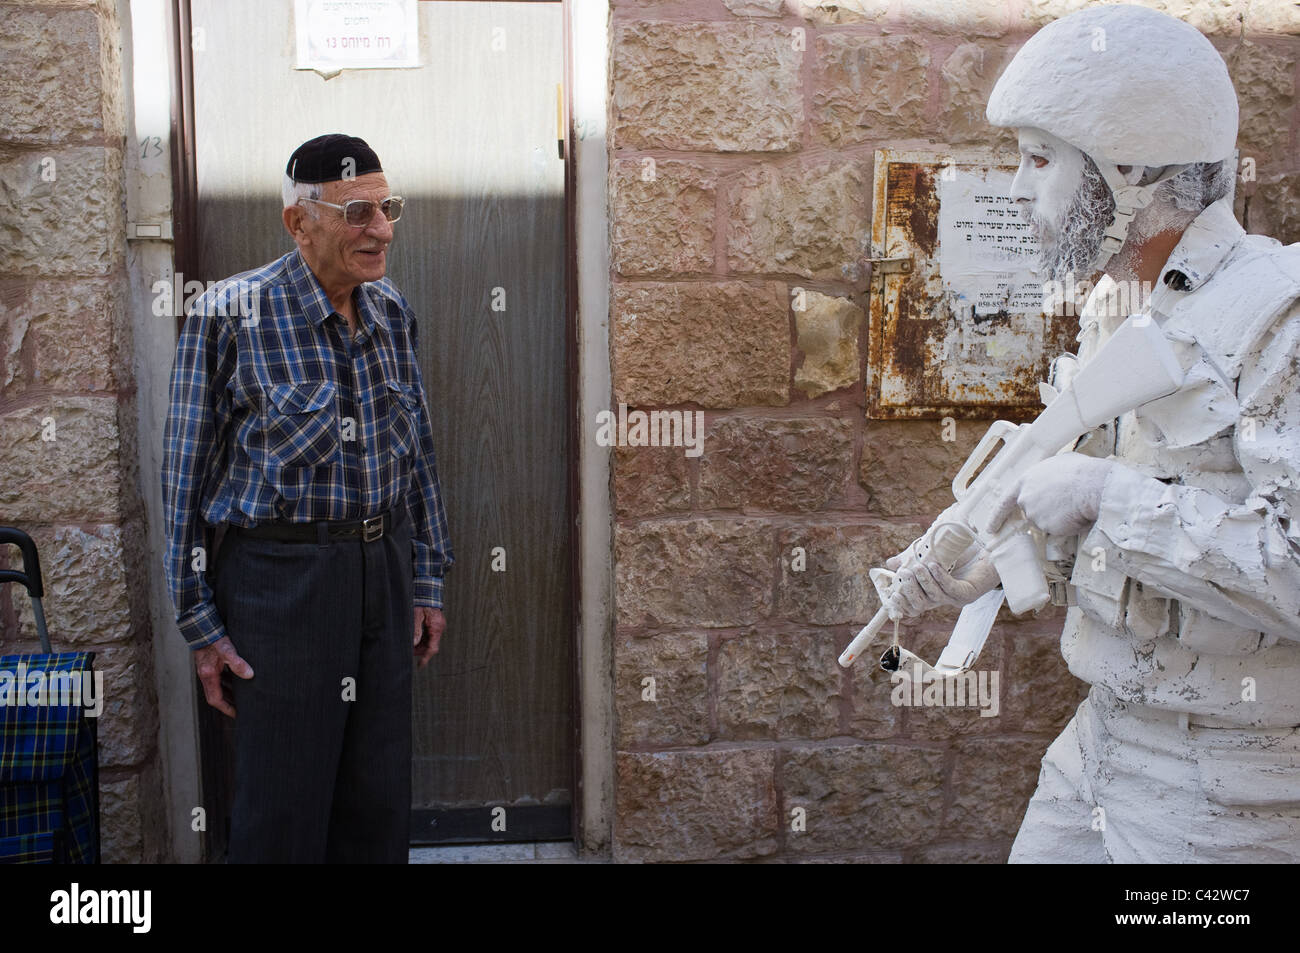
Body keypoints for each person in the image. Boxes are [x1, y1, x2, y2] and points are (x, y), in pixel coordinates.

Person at [885, 5, 1300, 862]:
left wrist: (1107, 494)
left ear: (1133, 169)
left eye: (1040, 159)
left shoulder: (1276, 312)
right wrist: (992, 566)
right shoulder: (1119, 306)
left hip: (1236, 788)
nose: (1015, 189)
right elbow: (1132, 554)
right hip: (1100, 743)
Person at [161, 133, 453, 863]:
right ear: (300, 222)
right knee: (281, 810)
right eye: (359, 213)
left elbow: (416, 455)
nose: (382, 229)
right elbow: (183, 484)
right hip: (279, 587)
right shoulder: (228, 315)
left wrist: (425, 576)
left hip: (380, 575)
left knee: (377, 803)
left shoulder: (392, 314)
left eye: (388, 209)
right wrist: (200, 624)